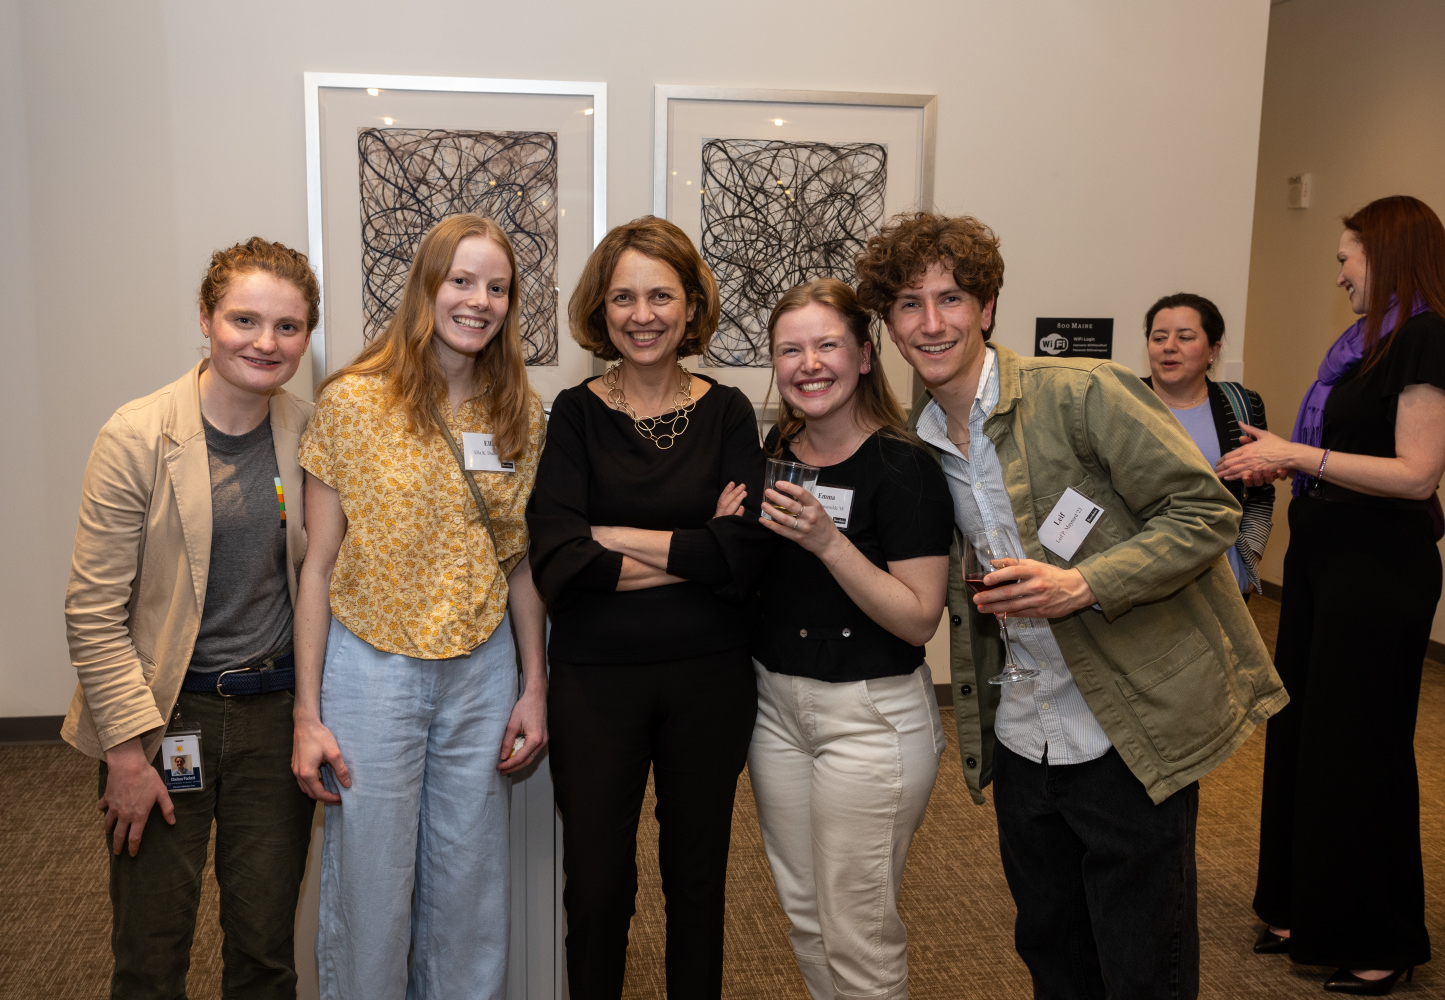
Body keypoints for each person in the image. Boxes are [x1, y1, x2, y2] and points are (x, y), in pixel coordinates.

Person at [855, 211, 1287, 999]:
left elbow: (1207, 513)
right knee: (1052, 954)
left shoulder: (1082, 393)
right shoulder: (915, 448)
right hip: (1022, 735)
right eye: (909, 304)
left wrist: (1085, 583)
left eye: (950, 298)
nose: (931, 321)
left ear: (987, 307)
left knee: (1142, 961)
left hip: (1124, 725)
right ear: (888, 324)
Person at [290, 214, 547, 1000]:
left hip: (481, 666)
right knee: (372, 878)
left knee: (470, 881)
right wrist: (307, 712)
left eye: (496, 287)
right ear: (427, 287)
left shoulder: (518, 417)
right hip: (372, 665)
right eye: (461, 281)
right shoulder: (351, 404)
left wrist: (535, 686)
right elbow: (318, 565)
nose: (479, 301)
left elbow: (519, 562)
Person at [61, 236, 321, 998]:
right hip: (163, 718)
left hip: (274, 719)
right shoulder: (136, 436)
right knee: (150, 952)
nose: (265, 343)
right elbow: (93, 613)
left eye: (288, 327)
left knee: (265, 954)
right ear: (206, 318)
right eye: (244, 320)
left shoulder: (310, 434)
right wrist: (126, 755)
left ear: (307, 335)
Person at [526, 215, 770, 999]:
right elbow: (558, 564)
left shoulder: (730, 412)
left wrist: (611, 537)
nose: (643, 314)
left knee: (696, 884)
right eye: (624, 296)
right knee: (598, 889)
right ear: (601, 309)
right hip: (596, 683)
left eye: (662, 295)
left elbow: (742, 561)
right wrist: (693, 548)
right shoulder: (573, 413)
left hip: (710, 679)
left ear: (692, 305)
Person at [1217, 195, 1445, 995]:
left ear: (1385, 253)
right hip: (1327, 557)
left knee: (1358, 750)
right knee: (1305, 736)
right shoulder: (1363, 345)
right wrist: (1287, 461)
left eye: (1347, 256)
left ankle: (1381, 942)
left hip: (1377, 573)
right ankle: (1303, 913)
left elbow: (1417, 474)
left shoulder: (1423, 337)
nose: (1340, 272)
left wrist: (1299, 455)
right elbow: (1353, 454)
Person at [745, 278, 951, 1000]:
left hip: (869, 719)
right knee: (806, 917)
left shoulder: (907, 466)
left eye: (827, 345)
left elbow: (920, 616)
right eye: (790, 350)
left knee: (857, 927)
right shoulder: (776, 448)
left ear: (864, 356)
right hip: (777, 710)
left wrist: (830, 543)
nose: (809, 364)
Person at [1142, 292, 1273, 597]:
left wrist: (1249, 556)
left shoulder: (1242, 405)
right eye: (1158, 337)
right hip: (1144, 588)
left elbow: (1259, 494)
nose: (1169, 346)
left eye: (1185, 337)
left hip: (1223, 585)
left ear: (1213, 350)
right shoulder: (1119, 403)